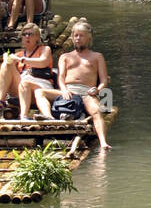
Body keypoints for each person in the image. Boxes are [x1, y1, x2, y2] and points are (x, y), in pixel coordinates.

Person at [43, 20, 112, 151]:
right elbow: (61, 77)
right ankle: (48, 118)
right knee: (40, 92)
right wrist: (64, 89)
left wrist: (97, 90)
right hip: (68, 91)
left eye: (81, 35)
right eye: (75, 35)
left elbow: (104, 80)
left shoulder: (97, 56)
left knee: (96, 111)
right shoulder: (65, 56)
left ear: (89, 38)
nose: (78, 38)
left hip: (87, 93)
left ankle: (103, 142)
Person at [0, 23, 52, 120]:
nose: (27, 37)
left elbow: (43, 62)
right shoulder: (19, 54)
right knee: (6, 64)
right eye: (24, 34)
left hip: (39, 87)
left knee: (25, 83)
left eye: (30, 34)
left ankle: (24, 115)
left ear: (37, 37)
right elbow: (7, 72)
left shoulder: (45, 49)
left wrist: (21, 60)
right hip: (21, 88)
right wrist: (8, 59)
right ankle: (1, 101)